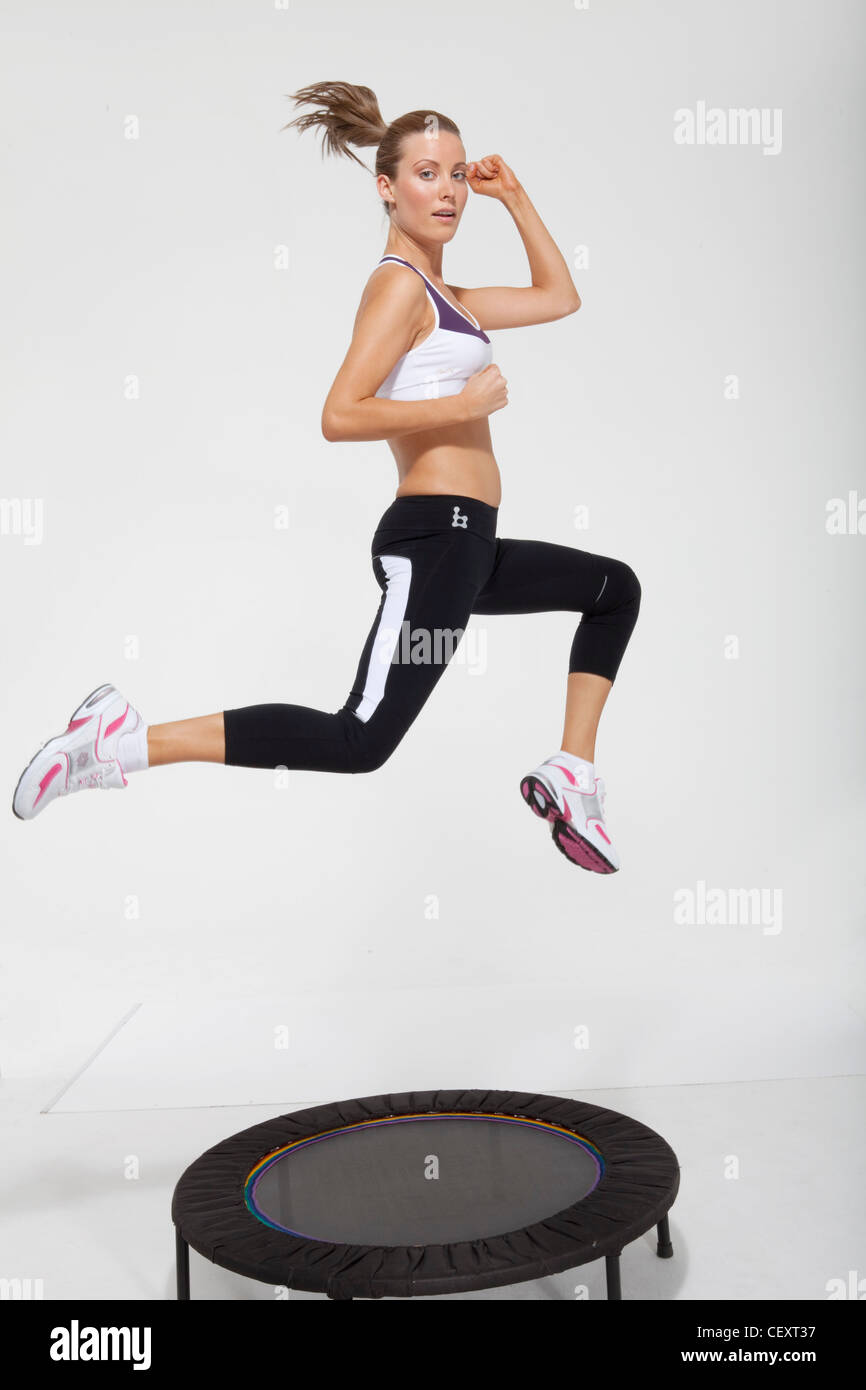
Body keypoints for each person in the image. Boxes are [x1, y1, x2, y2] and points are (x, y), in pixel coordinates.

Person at [12, 82, 640, 874]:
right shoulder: (398, 287)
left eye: (455, 174)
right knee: (359, 740)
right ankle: (120, 743)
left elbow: (561, 296)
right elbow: (339, 413)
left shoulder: (453, 297)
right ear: (386, 186)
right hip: (434, 539)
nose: (447, 190)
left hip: (472, 547)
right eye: (425, 174)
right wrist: (460, 399)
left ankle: (573, 773)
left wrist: (514, 198)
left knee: (614, 588)